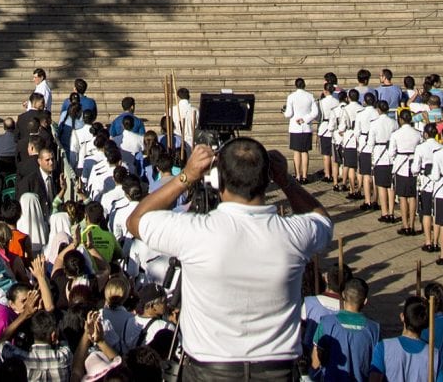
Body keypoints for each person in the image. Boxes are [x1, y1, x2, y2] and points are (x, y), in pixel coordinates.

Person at [128, 138, 332, 382]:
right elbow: (322, 220)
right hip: (277, 371)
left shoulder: (195, 232)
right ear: (266, 180)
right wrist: (286, 181)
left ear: (218, 181)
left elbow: (136, 221)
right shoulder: (293, 234)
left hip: (209, 371)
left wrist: (186, 176)